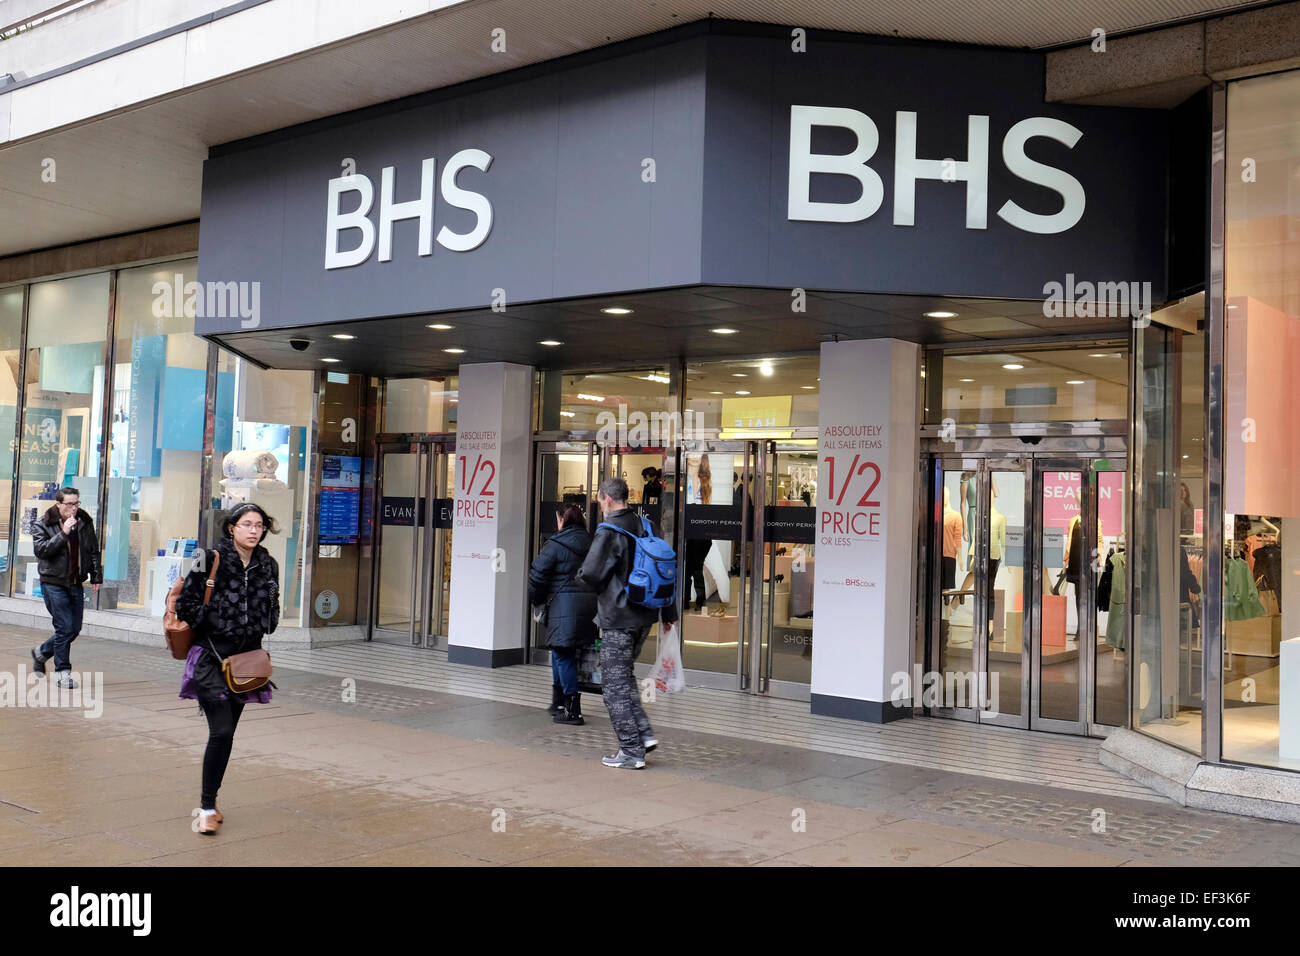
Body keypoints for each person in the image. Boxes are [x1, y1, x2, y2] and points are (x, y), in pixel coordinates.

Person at [176, 503, 281, 835]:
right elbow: (186, 604)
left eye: (259, 525)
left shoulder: (268, 564)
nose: (253, 530)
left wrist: (268, 620)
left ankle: (212, 800)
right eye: (246, 524)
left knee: (227, 734)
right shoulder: (208, 559)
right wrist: (219, 622)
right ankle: (206, 806)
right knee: (221, 731)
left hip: (246, 662)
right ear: (231, 527)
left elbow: (273, 601)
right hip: (210, 658)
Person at [577, 476, 679, 769]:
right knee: (623, 677)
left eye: (599, 500)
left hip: (619, 618)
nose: (600, 505)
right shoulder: (645, 525)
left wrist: (576, 580)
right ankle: (643, 735)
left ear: (607, 499)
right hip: (644, 617)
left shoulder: (608, 530)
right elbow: (661, 567)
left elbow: (592, 573)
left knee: (613, 686)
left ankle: (631, 751)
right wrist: (668, 615)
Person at [528, 503, 598, 725]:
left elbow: (536, 576)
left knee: (562, 654)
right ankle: (558, 701)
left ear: (563, 521)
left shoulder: (555, 544)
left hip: (563, 608)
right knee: (562, 652)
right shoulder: (592, 543)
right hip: (588, 608)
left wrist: (537, 600)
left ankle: (572, 710)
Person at [30, 487, 103, 689]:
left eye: (76, 503)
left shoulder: (85, 521)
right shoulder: (43, 523)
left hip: (75, 582)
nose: (73, 508)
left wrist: (97, 576)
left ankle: (42, 652)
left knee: (74, 629)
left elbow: (93, 550)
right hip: (53, 583)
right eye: (69, 504)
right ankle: (63, 672)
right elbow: (42, 550)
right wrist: (64, 532)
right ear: (58, 504)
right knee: (64, 628)